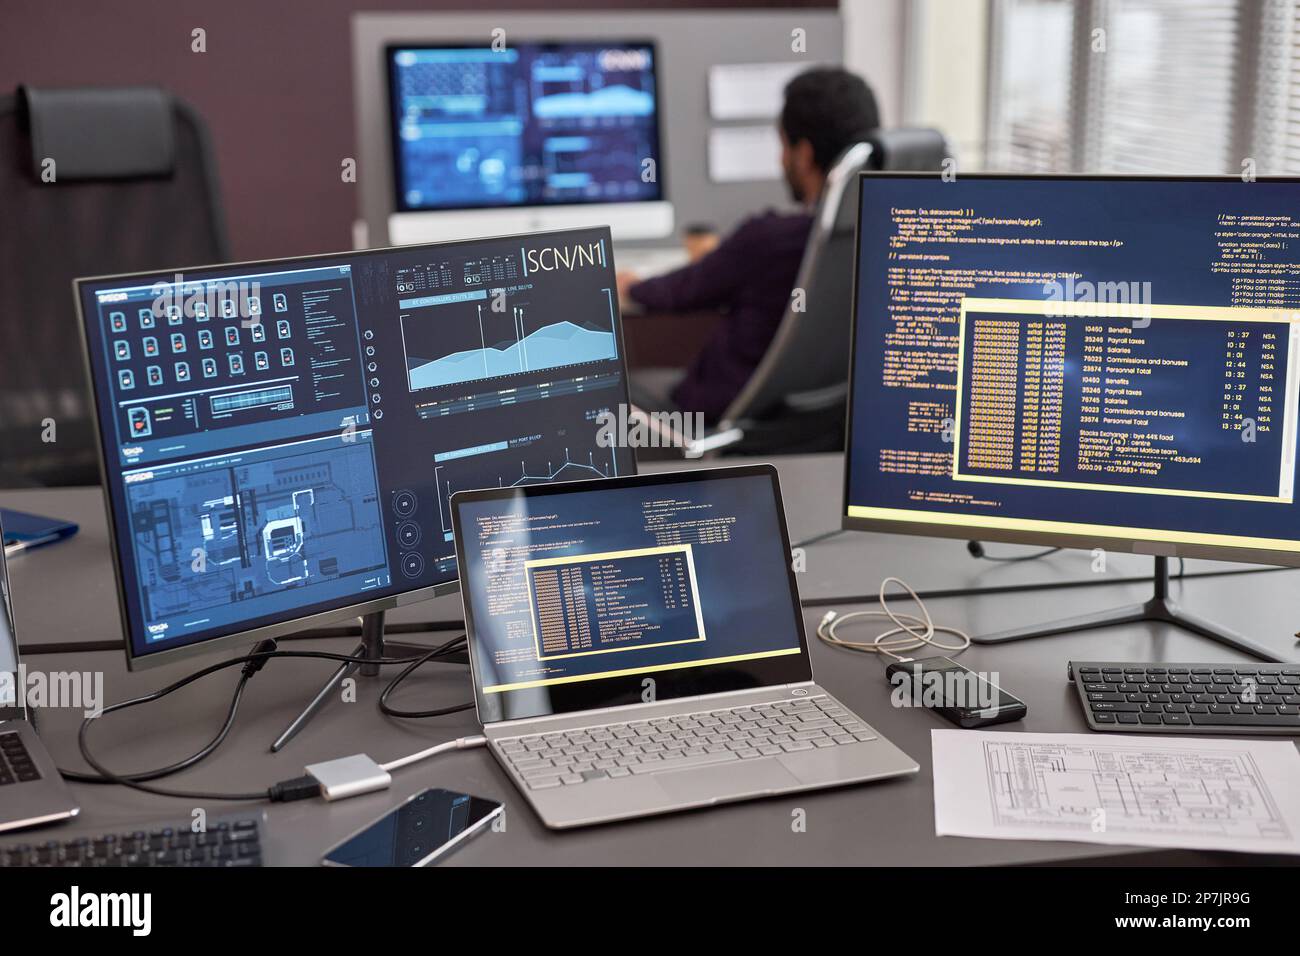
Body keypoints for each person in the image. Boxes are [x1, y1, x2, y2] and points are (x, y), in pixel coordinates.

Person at [617, 67, 880, 425]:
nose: (780, 159)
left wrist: (630, 286)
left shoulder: (770, 240)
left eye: (783, 145)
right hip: (811, 424)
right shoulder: (881, 238)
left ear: (803, 154)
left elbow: (679, 292)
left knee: (611, 391)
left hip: (717, 418)